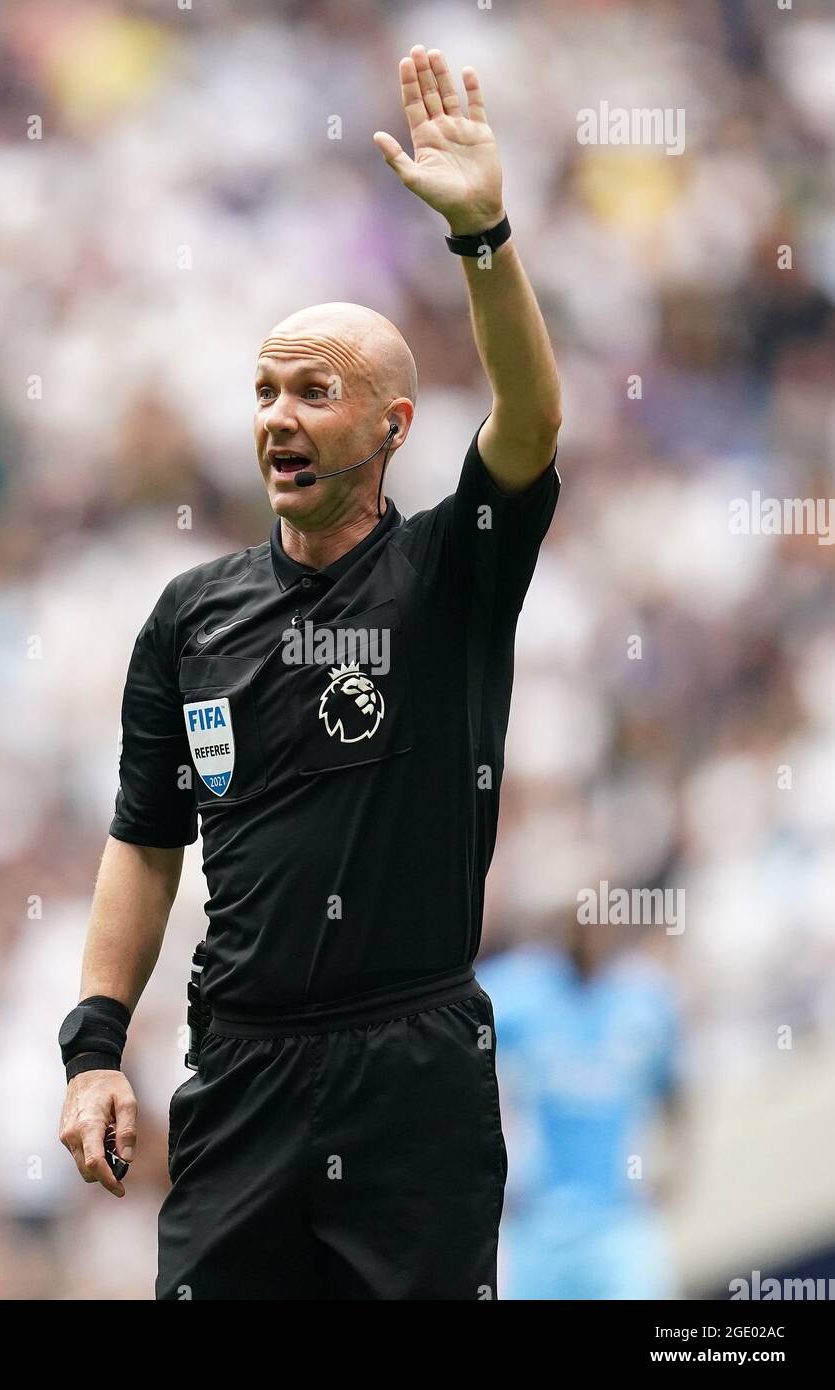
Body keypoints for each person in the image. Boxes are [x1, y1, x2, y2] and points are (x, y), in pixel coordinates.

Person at [58, 43, 562, 1300]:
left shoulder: (454, 577)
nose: (276, 416)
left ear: (391, 425)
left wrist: (481, 233)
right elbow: (143, 838)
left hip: (413, 1073)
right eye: (264, 391)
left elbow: (532, 424)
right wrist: (95, 1047)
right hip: (240, 1074)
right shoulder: (190, 615)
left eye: (313, 391)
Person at [478, 919, 685, 1300]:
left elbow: (676, 1089)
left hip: (620, 1218)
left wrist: (674, 1165)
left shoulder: (645, 995)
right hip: (536, 1223)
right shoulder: (515, 991)